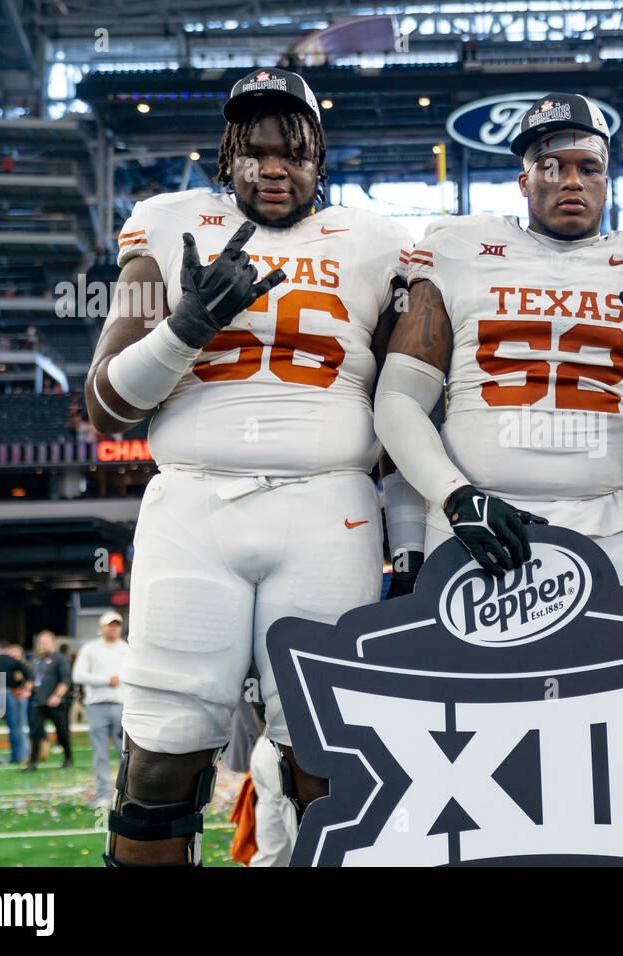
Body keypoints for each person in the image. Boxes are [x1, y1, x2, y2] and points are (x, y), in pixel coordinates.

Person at [84, 68, 419, 866]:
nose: (275, 169)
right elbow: (106, 406)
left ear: (320, 159)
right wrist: (186, 328)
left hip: (328, 512)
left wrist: (407, 542)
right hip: (193, 507)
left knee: (331, 762)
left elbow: (410, 410)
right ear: (227, 154)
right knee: (161, 759)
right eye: (257, 153)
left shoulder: (377, 243)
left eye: (294, 153)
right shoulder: (167, 226)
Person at [375, 92, 623, 590]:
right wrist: (454, 495)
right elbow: (398, 398)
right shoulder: (458, 248)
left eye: (589, 167)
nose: (572, 181)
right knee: (476, 672)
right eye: (551, 166)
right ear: (524, 181)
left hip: (617, 527)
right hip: (477, 523)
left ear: (606, 181)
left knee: (613, 670)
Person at [72, 611, 129, 809]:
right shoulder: (90, 648)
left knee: (125, 753)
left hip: (121, 704)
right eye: (109, 625)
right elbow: (78, 675)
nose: (113, 628)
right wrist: (106, 680)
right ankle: (103, 794)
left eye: (116, 625)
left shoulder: (127, 648)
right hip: (97, 705)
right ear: (102, 627)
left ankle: (127, 794)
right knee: (100, 753)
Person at [25, 630, 73, 771]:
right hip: (39, 701)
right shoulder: (37, 660)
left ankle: (68, 757)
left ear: (53, 643)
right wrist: (28, 688)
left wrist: (57, 696)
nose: (41, 645)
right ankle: (33, 762)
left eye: (44, 642)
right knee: (35, 732)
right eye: (39, 642)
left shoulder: (60, 659)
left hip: (55, 703)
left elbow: (65, 680)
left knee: (62, 731)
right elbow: (34, 680)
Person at [0, 640, 32, 764]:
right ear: (7, 649)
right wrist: (25, 690)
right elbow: (29, 675)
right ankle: (16, 757)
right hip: (8, 693)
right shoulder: (13, 661)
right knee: (13, 727)